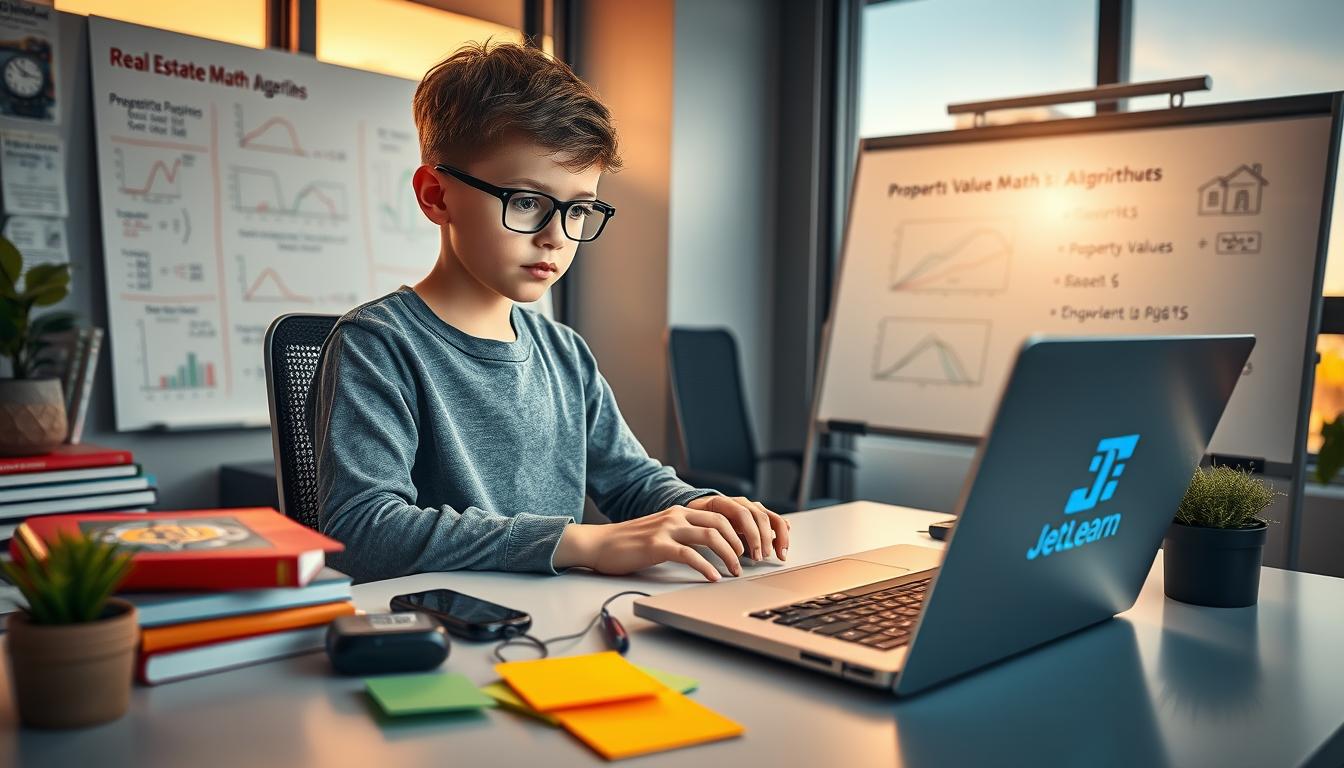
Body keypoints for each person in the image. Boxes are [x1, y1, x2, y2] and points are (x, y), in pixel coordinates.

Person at [310, 41, 789, 584]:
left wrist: (704, 508)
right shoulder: (378, 343)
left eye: (579, 209)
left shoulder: (564, 351)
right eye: (526, 202)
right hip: (447, 630)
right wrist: (579, 541)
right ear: (436, 196)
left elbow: (631, 481)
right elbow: (363, 532)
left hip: (554, 620)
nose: (556, 237)